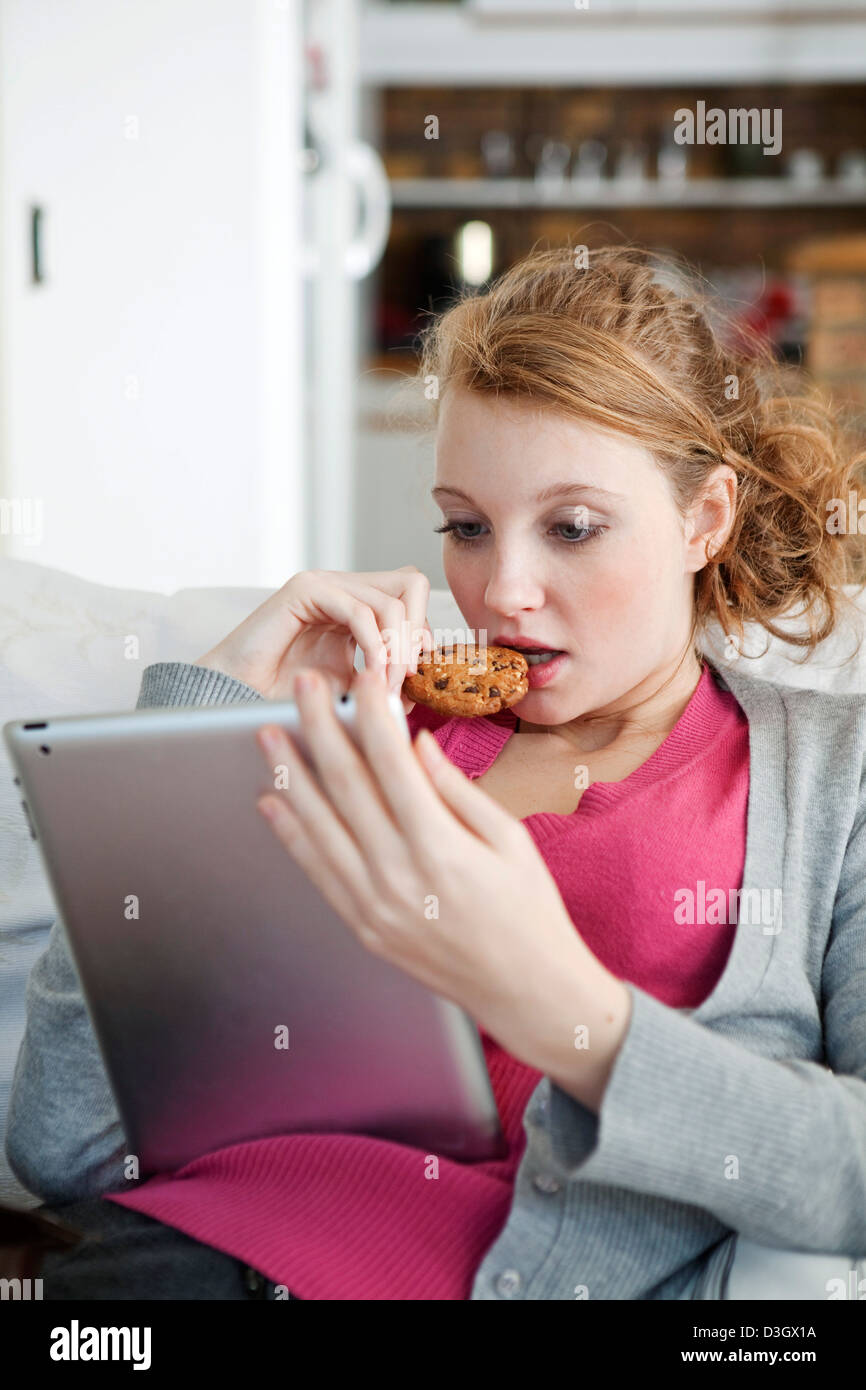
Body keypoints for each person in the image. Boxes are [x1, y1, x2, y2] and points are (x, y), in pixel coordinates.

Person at [6, 243, 866, 1301]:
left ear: (704, 517)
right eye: (466, 526)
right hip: (169, 1264)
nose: (501, 591)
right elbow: (65, 1138)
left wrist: (564, 1012)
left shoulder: (829, 777)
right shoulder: (369, 721)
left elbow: (852, 1175)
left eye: (572, 527)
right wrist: (214, 705)